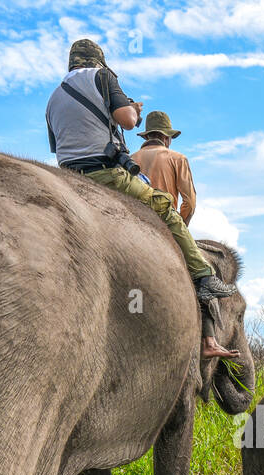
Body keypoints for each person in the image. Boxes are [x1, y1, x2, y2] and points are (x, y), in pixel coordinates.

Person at [46, 39, 238, 360]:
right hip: (106, 175)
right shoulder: (103, 78)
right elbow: (127, 122)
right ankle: (206, 294)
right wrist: (132, 111)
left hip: (69, 178)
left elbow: (60, 144)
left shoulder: (53, 99)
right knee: (165, 208)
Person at [134, 111, 197, 225]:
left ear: (147, 136)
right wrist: (180, 224)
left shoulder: (130, 159)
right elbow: (190, 202)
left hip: (134, 220)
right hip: (164, 221)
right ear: (167, 137)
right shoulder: (178, 159)